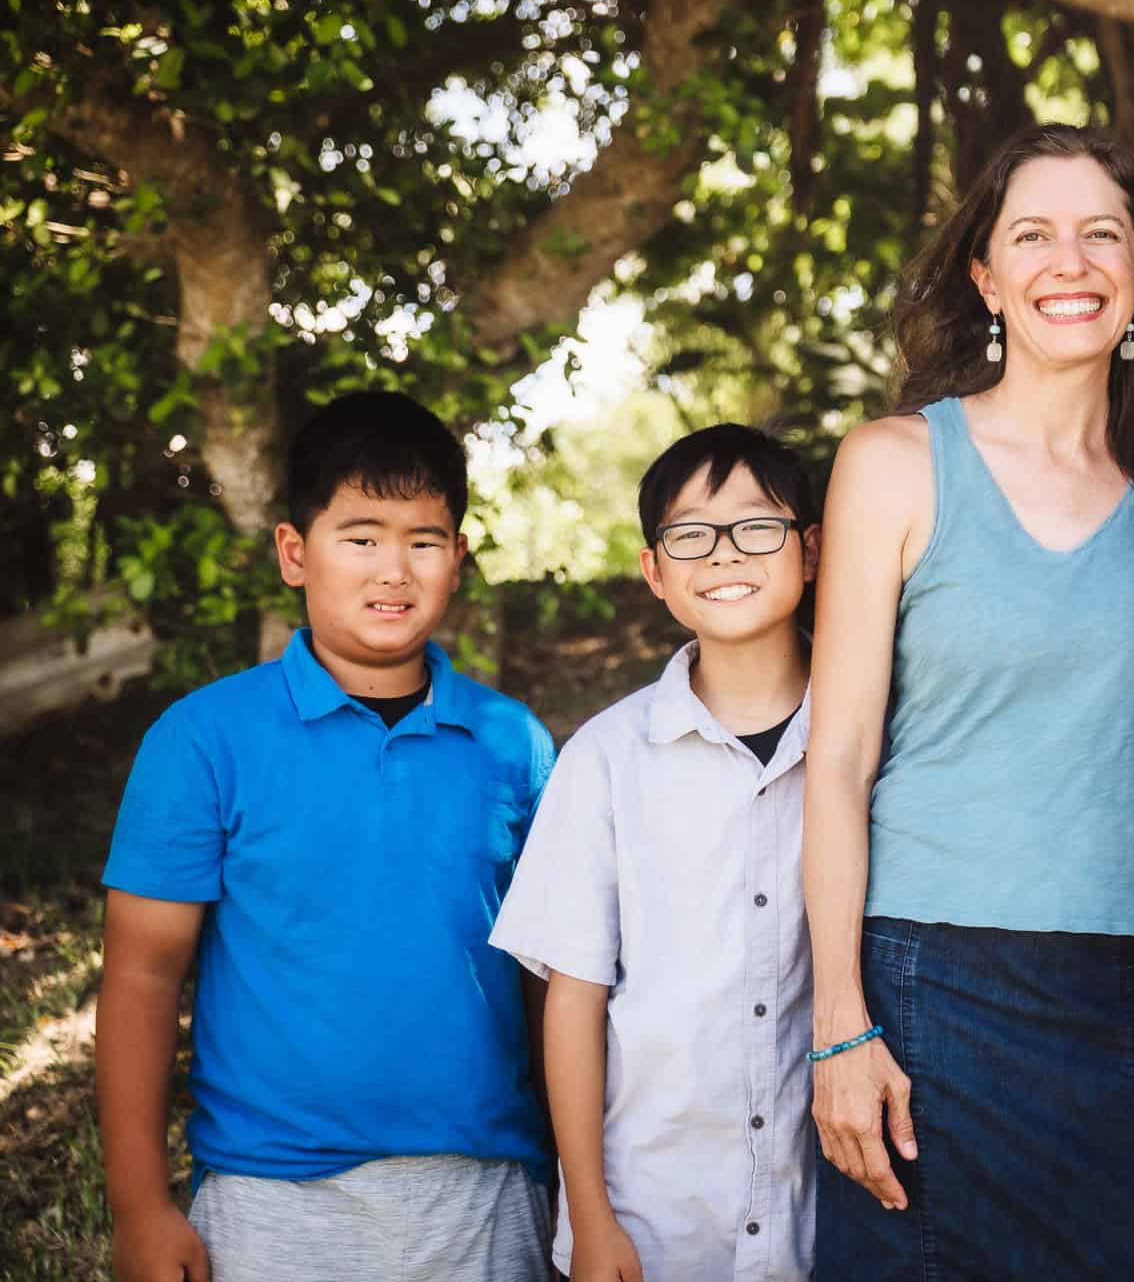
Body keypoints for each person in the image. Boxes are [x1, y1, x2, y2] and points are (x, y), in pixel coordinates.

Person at [803, 124, 1134, 1279]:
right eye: (1032, 234)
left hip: (1119, 1003)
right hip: (926, 993)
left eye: (1103, 236)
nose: (1069, 262)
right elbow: (834, 759)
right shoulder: (891, 463)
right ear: (985, 276)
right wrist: (841, 1020)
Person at [97, 391, 555, 1282]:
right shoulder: (204, 740)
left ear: (458, 559)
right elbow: (141, 975)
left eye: (424, 541)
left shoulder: (514, 745)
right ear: (294, 553)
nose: (394, 570)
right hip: (272, 1200)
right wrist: (140, 1206)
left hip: (485, 1192)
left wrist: (580, 1180)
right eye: (361, 536)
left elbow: (553, 982)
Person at [489, 424, 821, 1282]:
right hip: (653, 1216)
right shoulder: (606, 757)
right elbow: (571, 998)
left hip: (823, 1218)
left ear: (811, 549)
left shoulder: (869, 736)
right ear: (655, 573)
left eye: (755, 526)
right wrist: (589, 1214)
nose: (722, 555)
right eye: (689, 535)